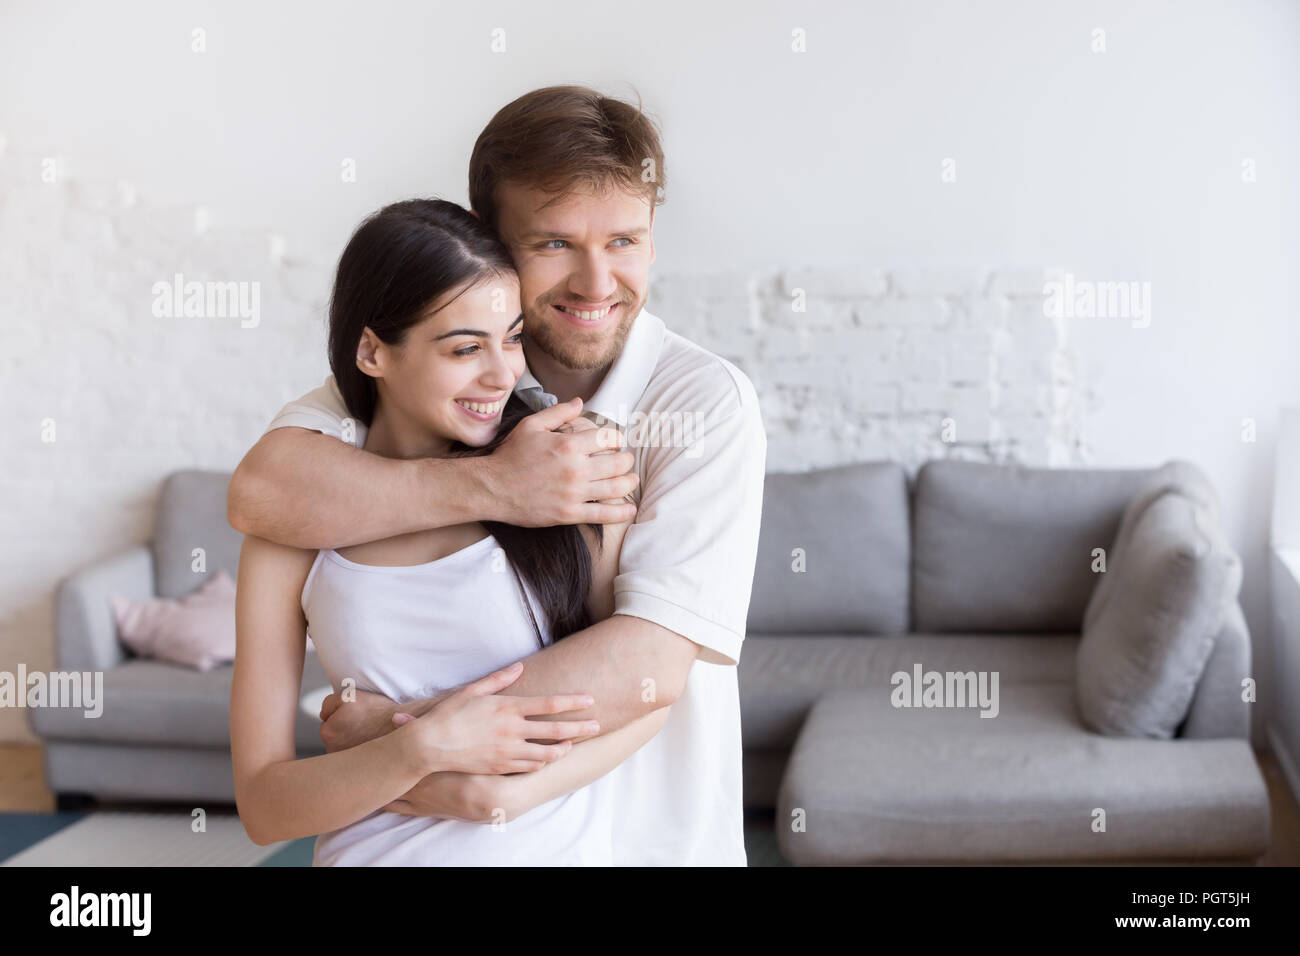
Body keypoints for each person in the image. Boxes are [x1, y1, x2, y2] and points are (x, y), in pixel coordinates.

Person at [229, 85, 767, 866]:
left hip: (643, 844)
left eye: (624, 240)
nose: (595, 283)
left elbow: (647, 667)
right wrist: (500, 486)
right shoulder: (421, 378)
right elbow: (261, 493)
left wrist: (399, 735)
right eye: (554, 244)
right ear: (492, 241)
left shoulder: (701, 403)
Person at [231, 198, 665, 865]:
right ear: (373, 351)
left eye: (512, 338)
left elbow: (647, 701)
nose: (503, 374)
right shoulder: (293, 527)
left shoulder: (571, 474)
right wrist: (419, 747)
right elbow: (265, 807)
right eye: (465, 348)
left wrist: (492, 793)